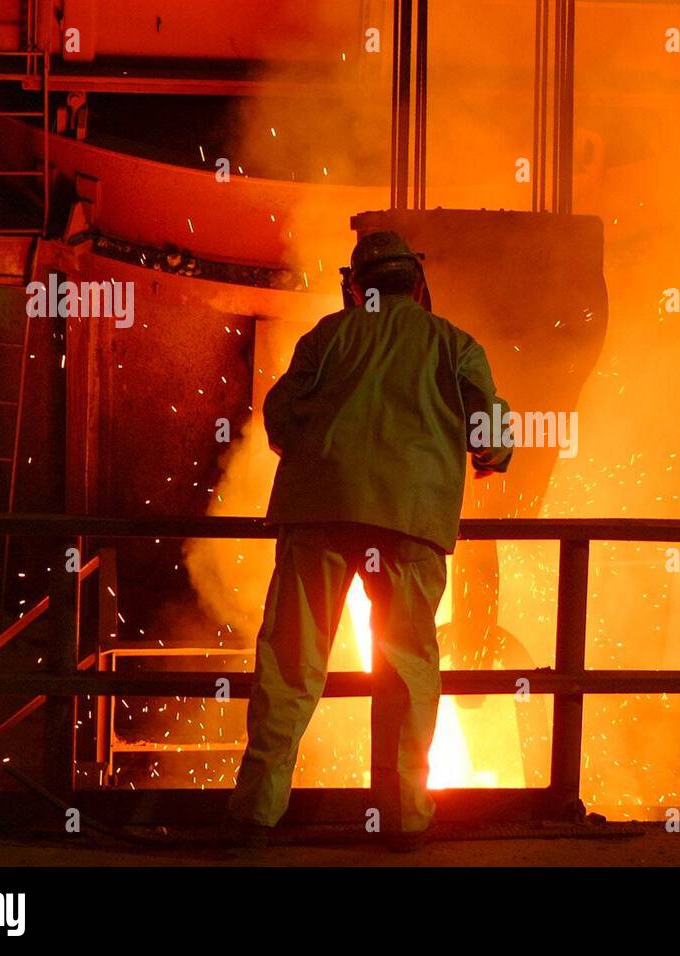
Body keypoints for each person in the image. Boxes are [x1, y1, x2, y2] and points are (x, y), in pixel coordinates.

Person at [227, 231, 512, 850]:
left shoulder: (327, 337)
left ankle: (256, 813)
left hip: (319, 513)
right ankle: (404, 817)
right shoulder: (455, 344)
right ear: (417, 283)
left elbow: (279, 419)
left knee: (291, 663)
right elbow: (490, 431)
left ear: (356, 286)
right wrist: (489, 454)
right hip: (411, 521)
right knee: (407, 667)